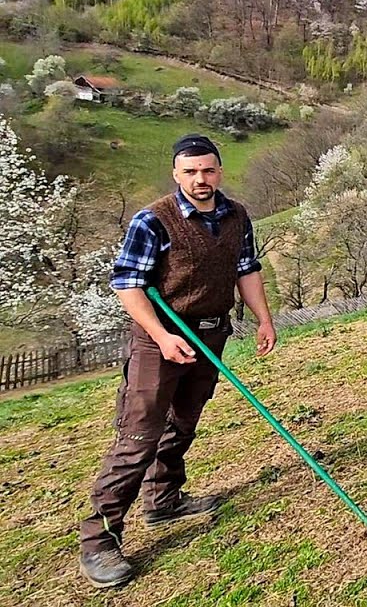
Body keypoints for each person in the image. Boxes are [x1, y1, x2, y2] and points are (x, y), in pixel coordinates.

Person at [78, 133, 277, 589]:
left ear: (219, 171)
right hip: (160, 338)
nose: (200, 179)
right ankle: (100, 540)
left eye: (208, 170)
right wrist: (162, 336)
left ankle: (163, 499)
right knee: (138, 435)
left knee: (184, 420)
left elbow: (246, 269)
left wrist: (264, 319)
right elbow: (128, 284)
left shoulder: (236, 215)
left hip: (211, 332)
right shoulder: (153, 221)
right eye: (190, 172)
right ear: (176, 173)